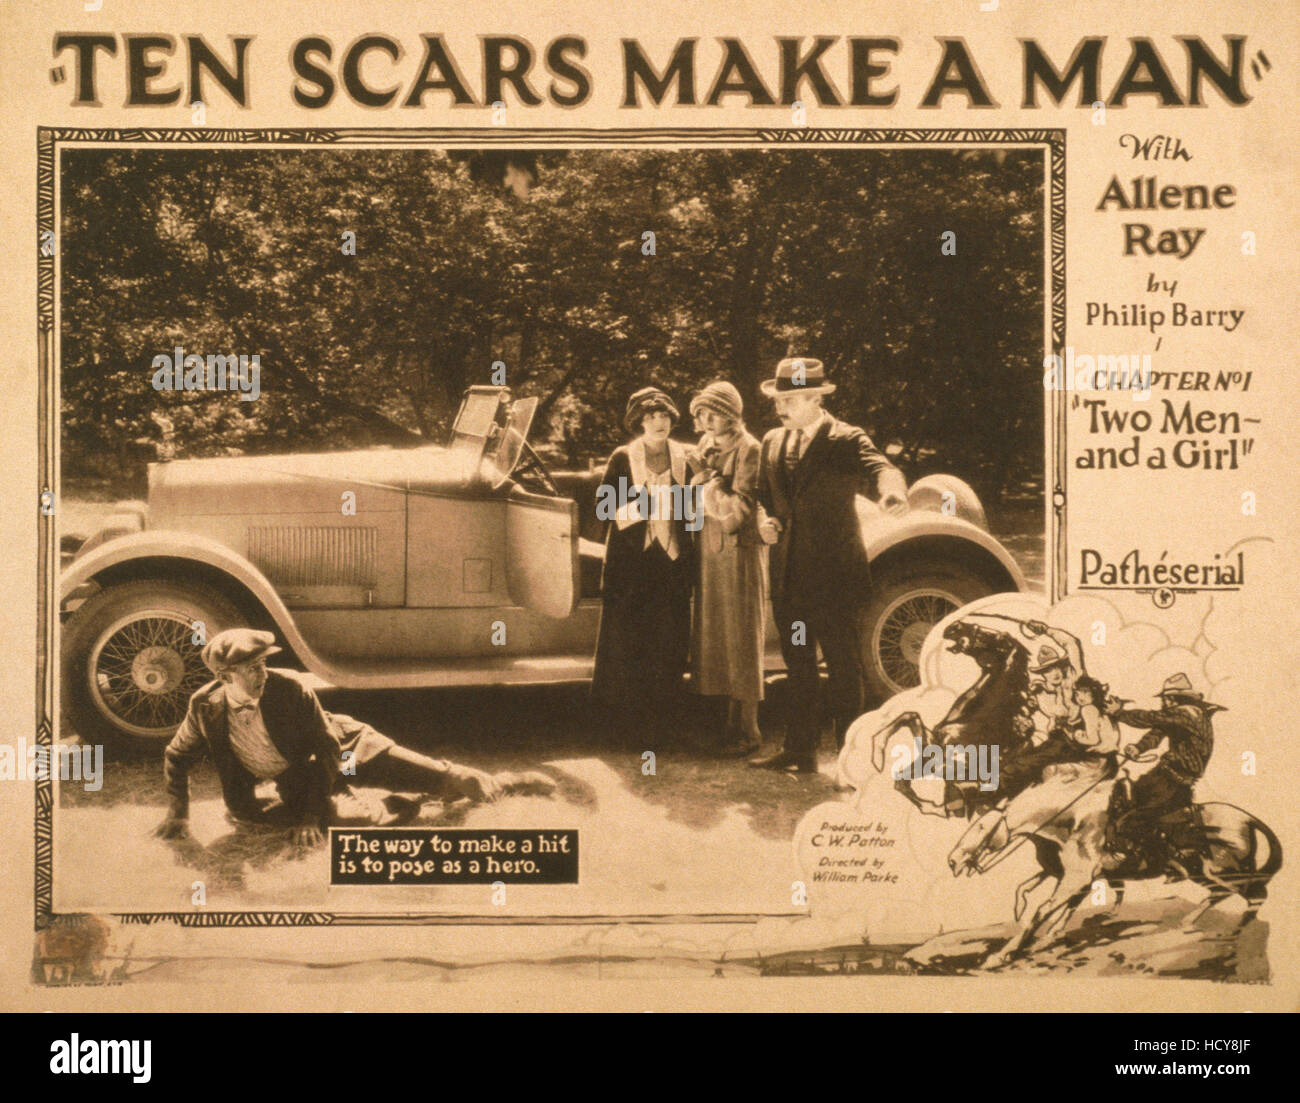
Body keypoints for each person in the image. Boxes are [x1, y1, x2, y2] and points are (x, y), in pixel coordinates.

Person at [154, 629, 552, 846]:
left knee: (454, 781)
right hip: (304, 773)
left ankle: (506, 782)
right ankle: (402, 801)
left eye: (262, 665)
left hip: (346, 749)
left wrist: (309, 817)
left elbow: (328, 748)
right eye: (251, 669)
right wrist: (178, 813)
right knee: (350, 824)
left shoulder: (291, 690)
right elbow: (177, 755)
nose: (262, 674)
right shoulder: (205, 706)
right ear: (225, 678)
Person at [748, 357, 909, 773]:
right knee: (798, 663)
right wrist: (767, 522)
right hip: (790, 578)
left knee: (842, 667)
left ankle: (851, 758)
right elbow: (767, 496)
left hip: (835, 577)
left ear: (816, 398)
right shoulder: (771, 442)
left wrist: (892, 493)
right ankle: (799, 751)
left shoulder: (845, 438)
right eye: (778, 400)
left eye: (791, 399)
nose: (781, 408)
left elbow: (882, 468)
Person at [590, 385, 695, 742]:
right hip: (631, 568)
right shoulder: (623, 457)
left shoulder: (686, 457)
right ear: (638, 422)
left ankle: (664, 726)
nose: (658, 422)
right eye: (650, 417)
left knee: (669, 643)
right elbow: (602, 510)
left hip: (672, 563)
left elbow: (695, 513)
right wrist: (646, 506)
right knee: (628, 644)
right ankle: (623, 728)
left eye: (664, 415)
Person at [686, 381, 767, 756]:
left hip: (739, 552)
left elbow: (742, 511)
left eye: (712, 413)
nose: (704, 421)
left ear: (731, 414)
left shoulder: (751, 449)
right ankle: (728, 725)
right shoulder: (707, 446)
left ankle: (749, 731)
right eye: (701, 414)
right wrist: (700, 481)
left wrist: (707, 484)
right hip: (711, 552)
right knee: (718, 638)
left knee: (742, 638)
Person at [1105, 672, 1222, 866]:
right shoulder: (1176, 715)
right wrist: (1138, 747)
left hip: (1174, 779)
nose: (1164, 702)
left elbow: (1151, 718)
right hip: (1164, 773)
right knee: (1124, 796)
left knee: (1137, 818)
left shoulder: (1189, 713)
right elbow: (1157, 732)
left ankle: (1156, 858)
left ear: (1176, 699)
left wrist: (1119, 713)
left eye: (1167, 698)